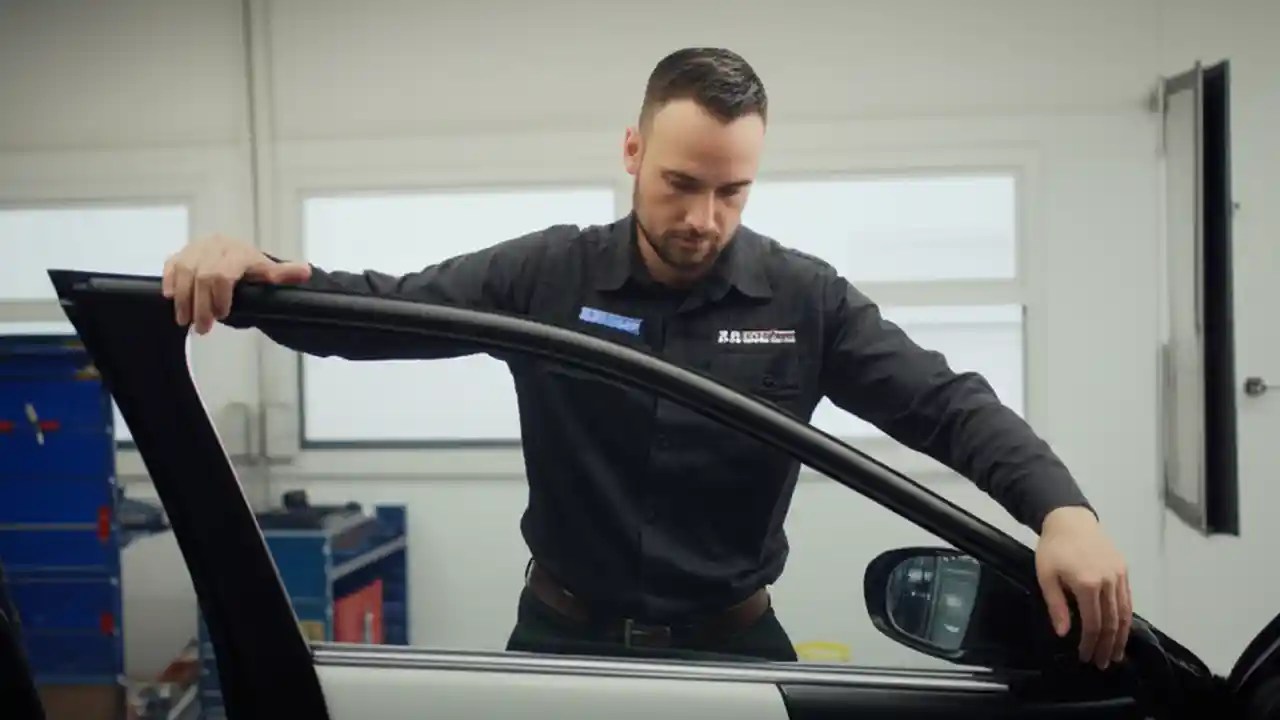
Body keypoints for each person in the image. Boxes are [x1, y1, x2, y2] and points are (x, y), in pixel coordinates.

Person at [162, 47, 1131, 667]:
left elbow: (946, 406)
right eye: (678, 184)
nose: (702, 218)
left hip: (735, 645)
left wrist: (1063, 512)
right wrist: (250, 281)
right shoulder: (546, 273)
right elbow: (383, 314)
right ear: (631, 150)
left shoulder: (803, 299)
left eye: (731, 191)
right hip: (558, 636)